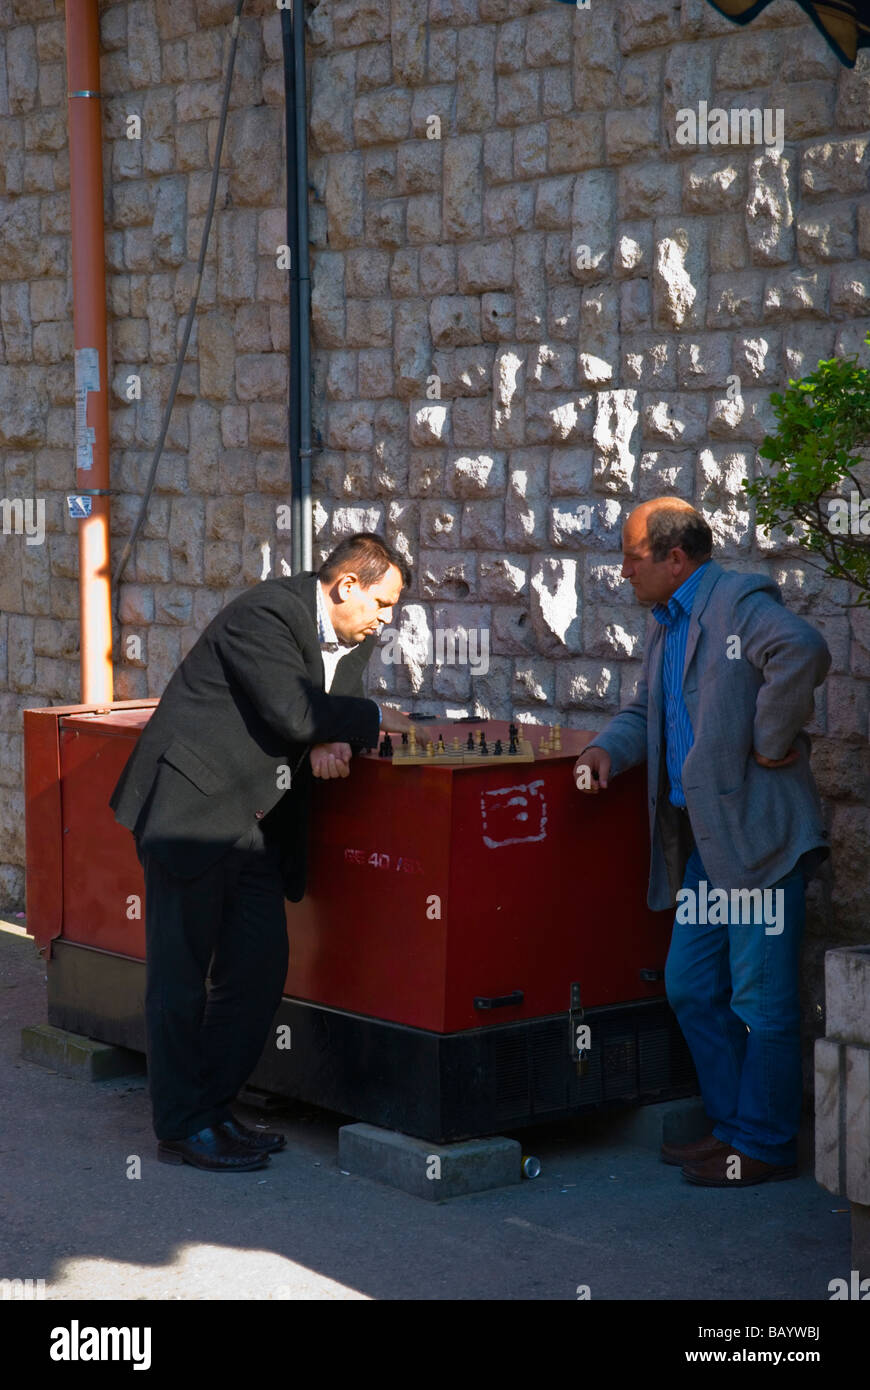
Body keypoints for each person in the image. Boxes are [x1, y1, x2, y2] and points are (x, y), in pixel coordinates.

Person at [109, 532, 414, 1172]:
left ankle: (211, 1109)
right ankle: (180, 1127)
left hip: (252, 823)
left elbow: (320, 719)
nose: (386, 620)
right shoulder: (266, 614)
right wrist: (364, 724)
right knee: (180, 978)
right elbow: (299, 714)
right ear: (347, 586)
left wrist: (335, 737)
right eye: (382, 605)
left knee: (256, 970)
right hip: (189, 807)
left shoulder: (352, 638)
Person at [574, 499, 831, 1187]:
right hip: (708, 854)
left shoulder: (735, 598)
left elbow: (802, 650)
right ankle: (732, 1132)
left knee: (760, 1002)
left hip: (756, 847)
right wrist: (606, 751)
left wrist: (768, 738)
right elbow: (645, 711)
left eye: (633, 555)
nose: (622, 569)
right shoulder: (669, 621)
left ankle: (765, 1146)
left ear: (675, 558)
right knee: (690, 986)